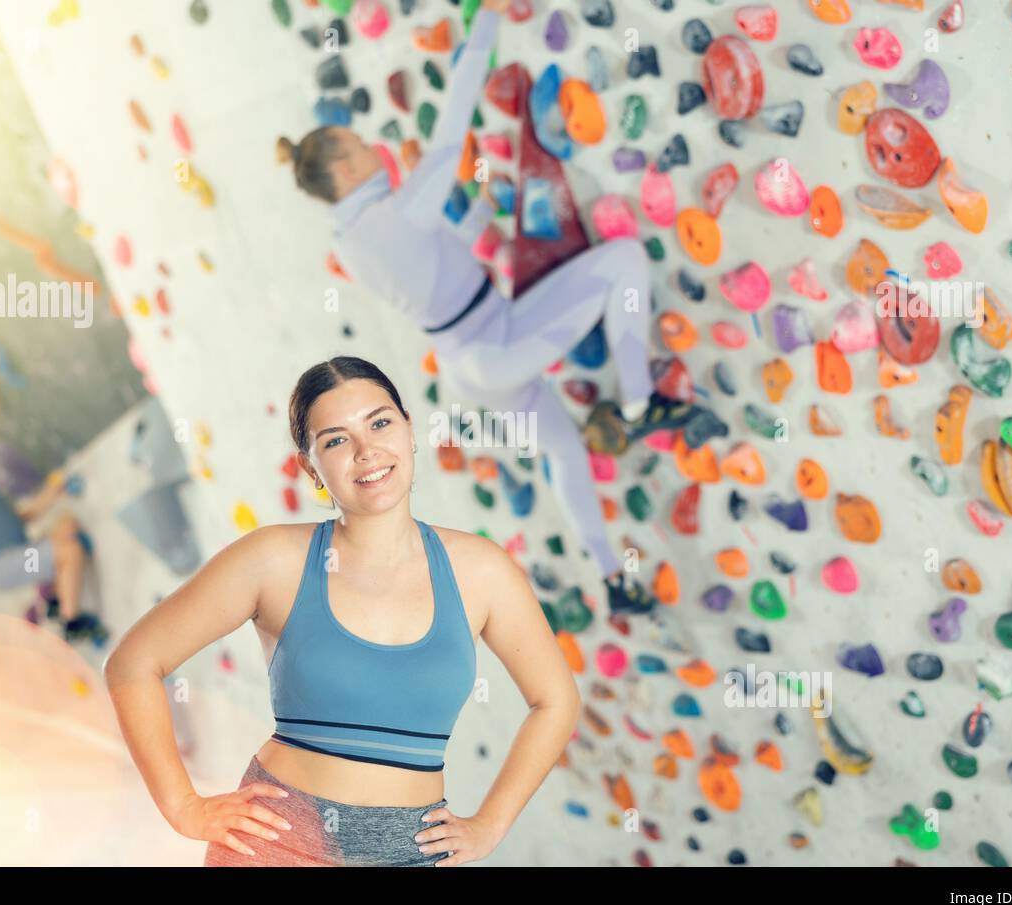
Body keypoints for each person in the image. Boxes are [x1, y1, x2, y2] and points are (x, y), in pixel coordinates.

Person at [275, 0, 721, 616]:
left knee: (564, 449)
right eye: (359, 142)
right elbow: (453, 123)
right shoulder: (390, 213)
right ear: (346, 165)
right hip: (495, 341)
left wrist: (480, 211)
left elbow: (434, 257)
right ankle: (642, 405)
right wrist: (485, 20)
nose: (373, 146)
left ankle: (613, 579)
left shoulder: (350, 240)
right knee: (623, 262)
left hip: (473, 360)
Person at [104, 356, 581, 866]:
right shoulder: (272, 560)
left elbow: (556, 701)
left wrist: (490, 824)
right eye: (335, 440)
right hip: (279, 842)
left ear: (409, 430)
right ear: (310, 466)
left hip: (408, 851)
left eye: (380, 423)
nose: (366, 451)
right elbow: (132, 665)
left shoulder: (482, 572)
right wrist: (183, 807)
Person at [0, 347, 104, 643]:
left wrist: (55, 493)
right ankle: (71, 623)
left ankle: (55, 599)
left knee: (68, 526)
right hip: (1, 567)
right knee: (71, 551)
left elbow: (21, 518)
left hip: (11, 553)